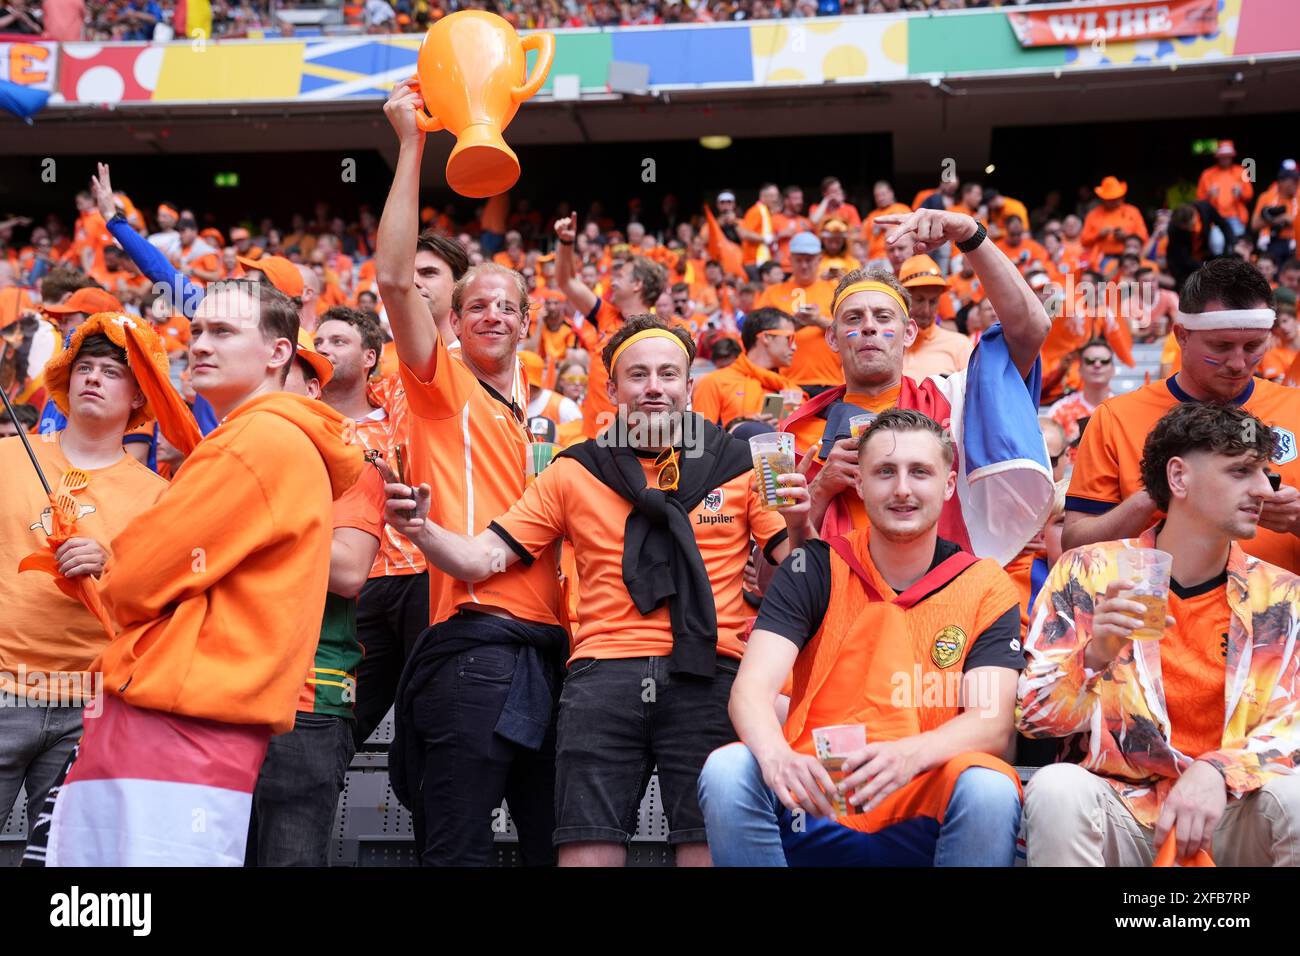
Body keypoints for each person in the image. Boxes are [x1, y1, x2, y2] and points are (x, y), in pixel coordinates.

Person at [384, 315, 811, 867]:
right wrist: (421, 530)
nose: (653, 386)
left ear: (688, 384)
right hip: (602, 676)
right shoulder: (573, 470)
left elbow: (797, 572)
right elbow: (483, 556)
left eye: (667, 374)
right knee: (587, 846)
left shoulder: (742, 466)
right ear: (612, 389)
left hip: (711, 672)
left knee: (705, 844)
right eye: (637, 375)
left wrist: (801, 522)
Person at [37, 279, 363, 866]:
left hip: (180, 717)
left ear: (278, 352)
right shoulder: (274, 439)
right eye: (197, 332)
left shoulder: (254, 439)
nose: (201, 346)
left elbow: (135, 576)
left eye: (224, 332)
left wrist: (122, 570)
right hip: (204, 715)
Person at [698, 409, 1024, 866]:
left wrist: (908, 756)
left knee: (989, 786)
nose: (903, 489)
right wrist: (776, 758)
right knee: (729, 768)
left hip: (923, 793)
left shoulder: (983, 583)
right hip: (815, 790)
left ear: (949, 486)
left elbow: (991, 721)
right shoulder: (812, 565)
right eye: (885, 472)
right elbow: (750, 691)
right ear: (860, 485)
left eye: (920, 472)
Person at [377, 77, 566, 867]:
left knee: (556, 845)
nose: (492, 314)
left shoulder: (568, 410)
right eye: (475, 306)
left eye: (507, 307)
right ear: (451, 321)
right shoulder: (439, 388)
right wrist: (414, 144)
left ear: (528, 322)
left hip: (564, 654)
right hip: (476, 643)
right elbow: (393, 280)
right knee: (455, 848)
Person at [1020, 402, 1300, 866]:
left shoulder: (1284, 597)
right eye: (1241, 472)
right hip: (1121, 807)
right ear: (1179, 477)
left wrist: (1217, 770)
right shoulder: (1088, 572)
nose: (1262, 489)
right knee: (1057, 789)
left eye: (1264, 473)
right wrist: (1092, 657)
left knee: (1294, 799)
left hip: (1232, 808)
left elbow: (1292, 731)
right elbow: (1034, 720)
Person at [782, 207, 1054, 565]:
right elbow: (772, 578)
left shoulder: (953, 401)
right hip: (840, 612)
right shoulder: (795, 433)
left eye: (882, 317)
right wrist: (821, 488)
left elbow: (1031, 329)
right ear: (832, 337)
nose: (868, 328)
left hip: (943, 603)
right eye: (853, 318)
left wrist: (969, 233)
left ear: (909, 332)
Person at [0, 315, 172, 832]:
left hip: (92, 706)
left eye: (112, 372)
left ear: (139, 398)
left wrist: (109, 565)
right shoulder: (6, 458)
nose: (93, 378)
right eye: (85, 368)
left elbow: (161, 603)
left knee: (66, 864)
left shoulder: (159, 496)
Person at [1064, 258, 1300, 575]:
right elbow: (1075, 549)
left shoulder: (1294, 407)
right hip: (1155, 616)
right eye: (1221, 346)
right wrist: (1154, 494)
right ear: (1182, 336)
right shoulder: (1115, 417)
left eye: (1253, 346)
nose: (1238, 363)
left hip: (1278, 617)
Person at [247, 331, 386, 867]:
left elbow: (348, 570)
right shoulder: (222, 460)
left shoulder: (354, 468)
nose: (273, 393)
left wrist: (246, 527)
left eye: (288, 380)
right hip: (221, 693)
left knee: (289, 859)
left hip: (308, 696)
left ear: (313, 391)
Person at [553, 215, 667, 439]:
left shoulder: (658, 334)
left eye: (620, 277)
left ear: (637, 284)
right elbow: (566, 282)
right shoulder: (605, 314)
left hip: (630, 441)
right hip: (593, 437)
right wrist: (566, 244)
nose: (611, 282)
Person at [754, 231, 838, 395]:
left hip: (831, 381)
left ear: (820, 259)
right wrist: (794, 324)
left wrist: (818, 320)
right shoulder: (772, 292)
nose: (804, 265)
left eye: (809, 260)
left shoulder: (835, 289)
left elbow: (850, 329)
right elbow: (756, 334)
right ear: (790, 259)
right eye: (799, 260)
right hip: (783, 383)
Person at [690, 307, 797, 426]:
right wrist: (743, 428)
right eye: (789, 338)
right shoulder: (713, 382)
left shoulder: (787, 386)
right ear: (766, 337)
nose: (794, 347)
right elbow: (698, 439)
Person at [898, 254, 972, 379]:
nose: (926, 310)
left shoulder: (960, 345)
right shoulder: (886, 343)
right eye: (919, 300)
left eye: (933, 302)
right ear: (901, 299)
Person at [1047, 338, 1115, 445]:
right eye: (1090, 361)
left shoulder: (1122, 410)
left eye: (1104, 361)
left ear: (1113, 369)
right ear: (1080, 368)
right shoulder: (1060, 410)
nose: (1097, 365)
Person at [1197, 139, 1252, 247]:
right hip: (1216, 219)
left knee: (1238, 246)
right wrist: (1209, 194)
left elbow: (1249, 195)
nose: (1225, 158)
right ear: (1218, 157)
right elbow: (1199, 200)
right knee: (1217, 245)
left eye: (1228, 155)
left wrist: (1241, 192)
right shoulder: (1207, 174)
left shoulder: (1241, 171)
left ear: (1232, 156)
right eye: (1223, 155)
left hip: (1236, 217)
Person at [1082, 176, 1149, 262]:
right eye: (1110, 199)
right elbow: (1083, 241)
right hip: (1100, 260)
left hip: (1128, 259)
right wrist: (1099, 235)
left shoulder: (1133, 211)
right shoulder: (1093, 214)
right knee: (1069, 274)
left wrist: (1127, 236)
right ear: (1103, 198)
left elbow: (1144, 237)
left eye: (1117, 197)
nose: (1114, 201)